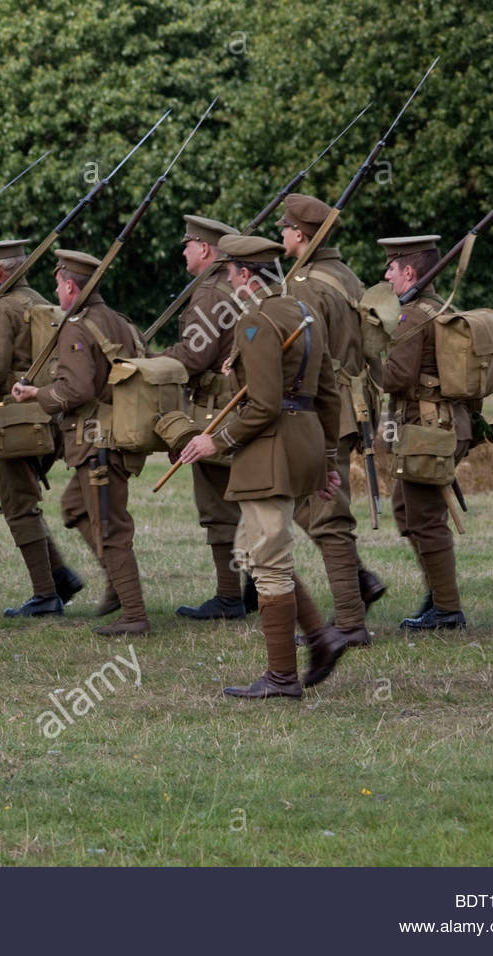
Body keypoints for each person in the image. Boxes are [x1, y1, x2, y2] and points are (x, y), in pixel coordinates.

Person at [179, 235, 349, 697]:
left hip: (271, 448)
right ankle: (320, 636)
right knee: (257, 546)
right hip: (306, 441)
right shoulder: (303, 315)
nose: (230, 283)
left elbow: (264, 405)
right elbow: (330, 394)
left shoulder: (255, 320)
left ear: (247, 277)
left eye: (231, 275)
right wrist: (328, 456)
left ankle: (281, 677)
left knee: (268, 559)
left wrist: (217, 440)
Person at [10, 249, 149, 636]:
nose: (55, 291)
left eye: (57, 284)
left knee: (109, 526)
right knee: (75, 506)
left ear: (70, 286)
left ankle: (134, 613)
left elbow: (77, 389)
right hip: (116, 435)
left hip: (97, 440)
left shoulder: (77, 325)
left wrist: (35, 395)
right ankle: (119, 587)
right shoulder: (118, 321)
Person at [277, 193, 386, 645]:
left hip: (322, 410)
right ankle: (358, 583)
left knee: (325, 514)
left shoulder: (304, 283)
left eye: (284, 228)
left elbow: (305, 356)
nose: (280, 234)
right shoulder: (344, 274)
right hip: (350, 404)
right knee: (310, 506)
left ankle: (349, 622)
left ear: (300, 236)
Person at [0, 237, 83, 617]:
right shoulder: (38, 300)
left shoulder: (0, 307)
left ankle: (45, 595)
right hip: (45, 414)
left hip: (13, 420)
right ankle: (60, 579)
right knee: (24, 500)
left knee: (18, 506)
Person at [155, 215, 247, 620]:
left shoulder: (211, 292)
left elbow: (193, 356)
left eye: (188, 243)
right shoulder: (238, 285)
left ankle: (229, 597)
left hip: (217, 408)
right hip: (241, 404)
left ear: (205, 249)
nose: (183, 250)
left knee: (218, 506)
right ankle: (255, 591)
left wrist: (152, 362)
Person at [379, 234, 471, 629]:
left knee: (425, 518)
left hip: (426, 428)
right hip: (443, 425)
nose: (386, 275)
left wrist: (364, 360)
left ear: (410, 271)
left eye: (392, 268)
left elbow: (396, 376)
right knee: (407, 509)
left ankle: (447, 609)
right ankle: (437, 596)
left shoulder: (413, 315)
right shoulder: (438, 306)